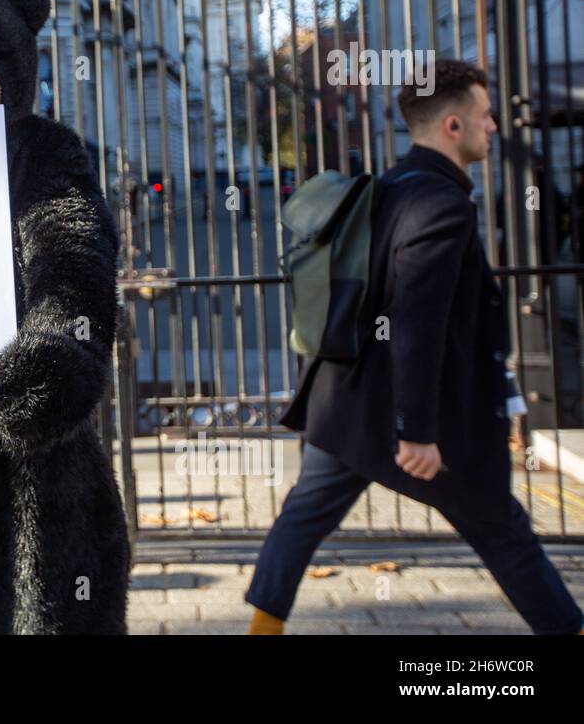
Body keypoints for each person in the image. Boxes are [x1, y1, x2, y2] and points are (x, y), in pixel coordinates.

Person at [245, 59, 584, 636]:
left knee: (302, 517)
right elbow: (416, 321)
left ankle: (261, 630)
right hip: (411, 415)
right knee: (503, 529)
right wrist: (415, 430)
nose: (495, 125)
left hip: (345, 401)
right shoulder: (442, 205)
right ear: (453, 126)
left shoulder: (389, 188)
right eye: (485, 114)